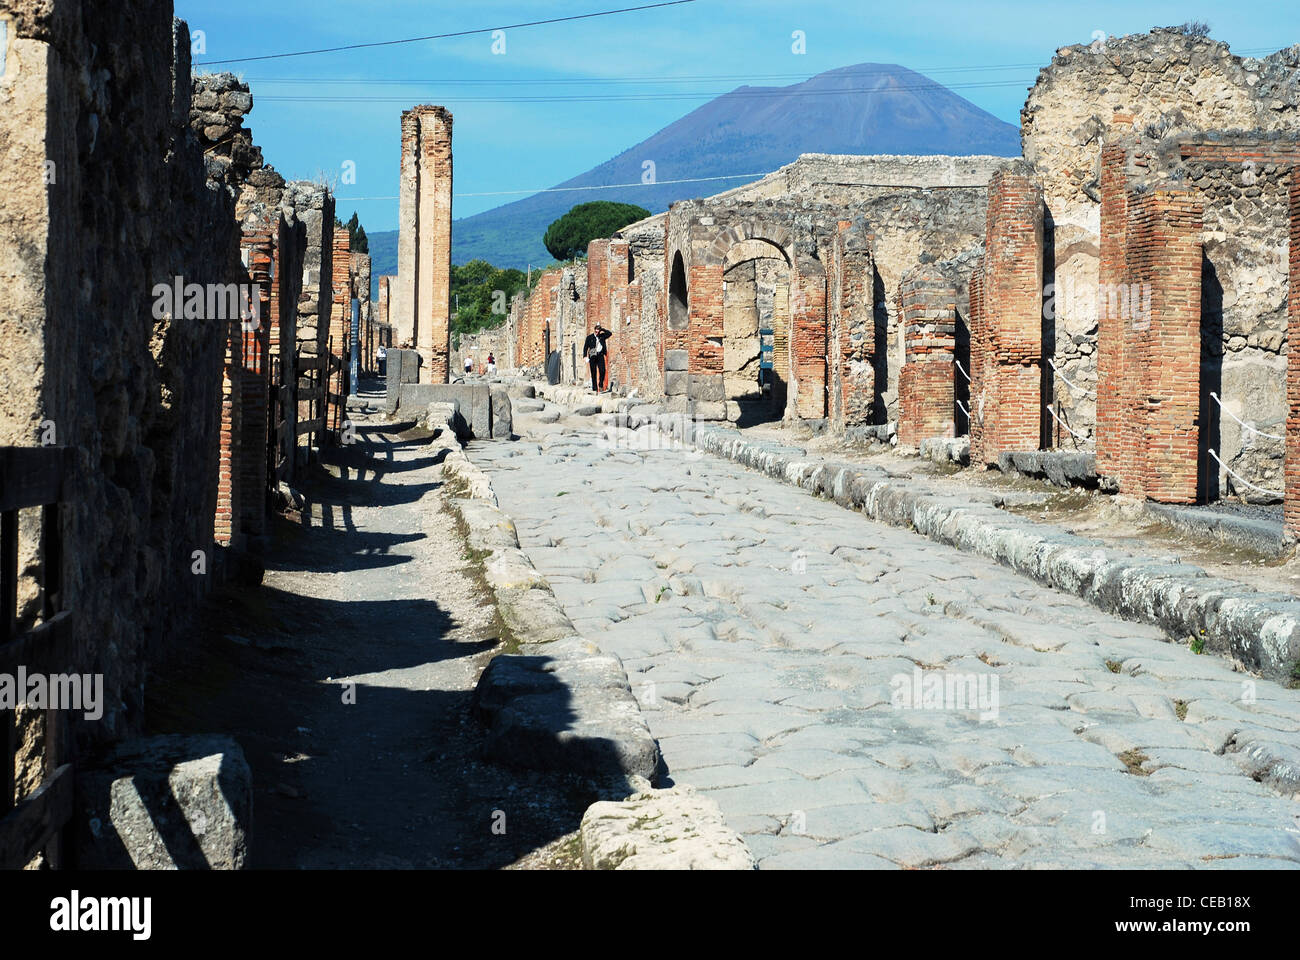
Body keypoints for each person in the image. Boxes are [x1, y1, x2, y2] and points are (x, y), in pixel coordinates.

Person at [583, 324, 612, 393]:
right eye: (596, 330)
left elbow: (609, 333)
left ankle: (601, 384)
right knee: (593, 372)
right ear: (594, 330)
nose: (597, 332)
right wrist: (585, 356)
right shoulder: (589, 337)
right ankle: (595, 388)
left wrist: (603, 330)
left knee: (602, 370)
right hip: (592, 356)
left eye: (598, 330)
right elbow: (585, 347)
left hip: (600, 355)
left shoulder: (602, 336)